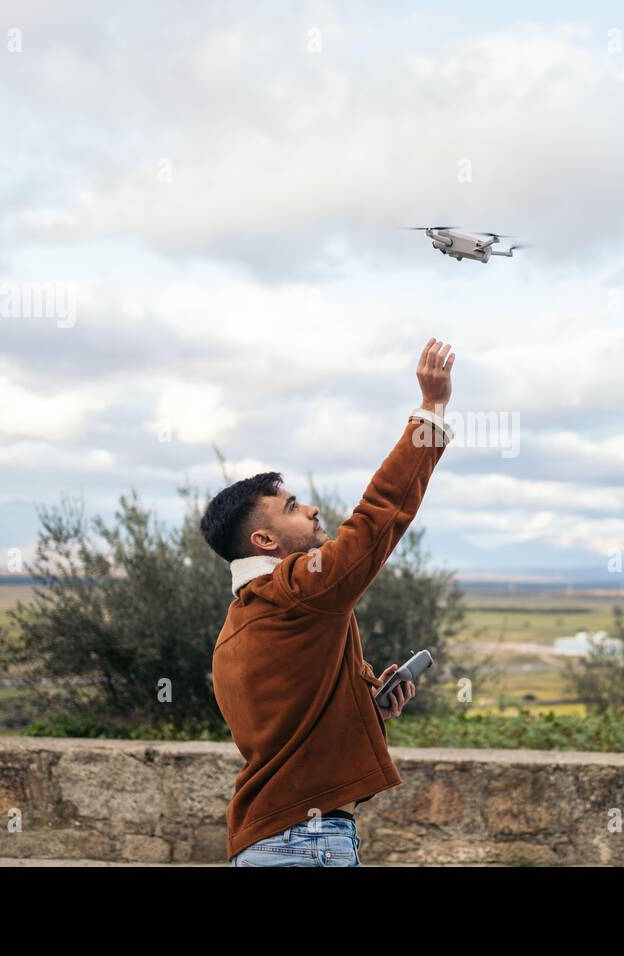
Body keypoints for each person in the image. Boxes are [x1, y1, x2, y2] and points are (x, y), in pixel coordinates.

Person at [201, 337, 456, 866]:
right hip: (305, 845)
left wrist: (369, 704)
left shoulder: (242, 621)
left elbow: (297, 727)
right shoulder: (294, 592)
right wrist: (430, 413)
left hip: (278, 843)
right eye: (293, 506)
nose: (314, 510)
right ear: (265, 542)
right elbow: (375, 523)